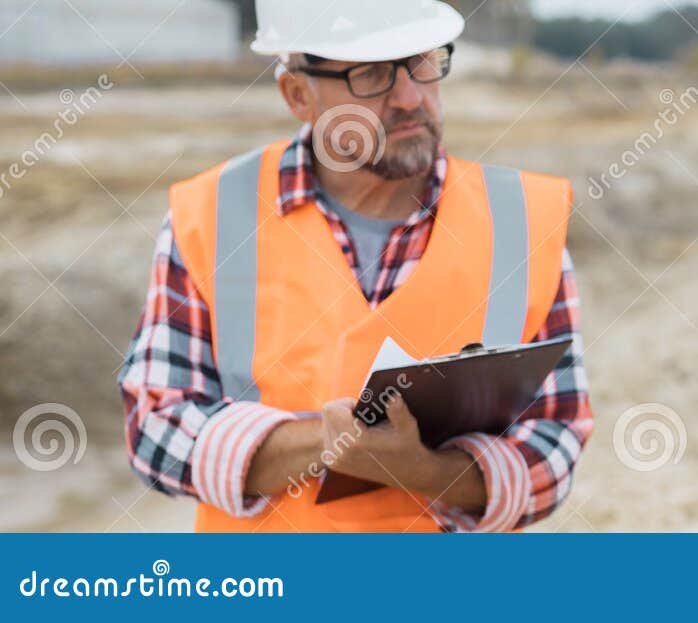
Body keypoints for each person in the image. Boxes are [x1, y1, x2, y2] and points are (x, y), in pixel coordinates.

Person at [117, 0, 591, 532]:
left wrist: (429, 471)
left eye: (424, 62)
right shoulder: (213, 215)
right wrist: (325, 441)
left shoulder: (520, 220)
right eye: (371, 74)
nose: (410, 97)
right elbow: (156, 431)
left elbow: (556, 438)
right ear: (298, 93)